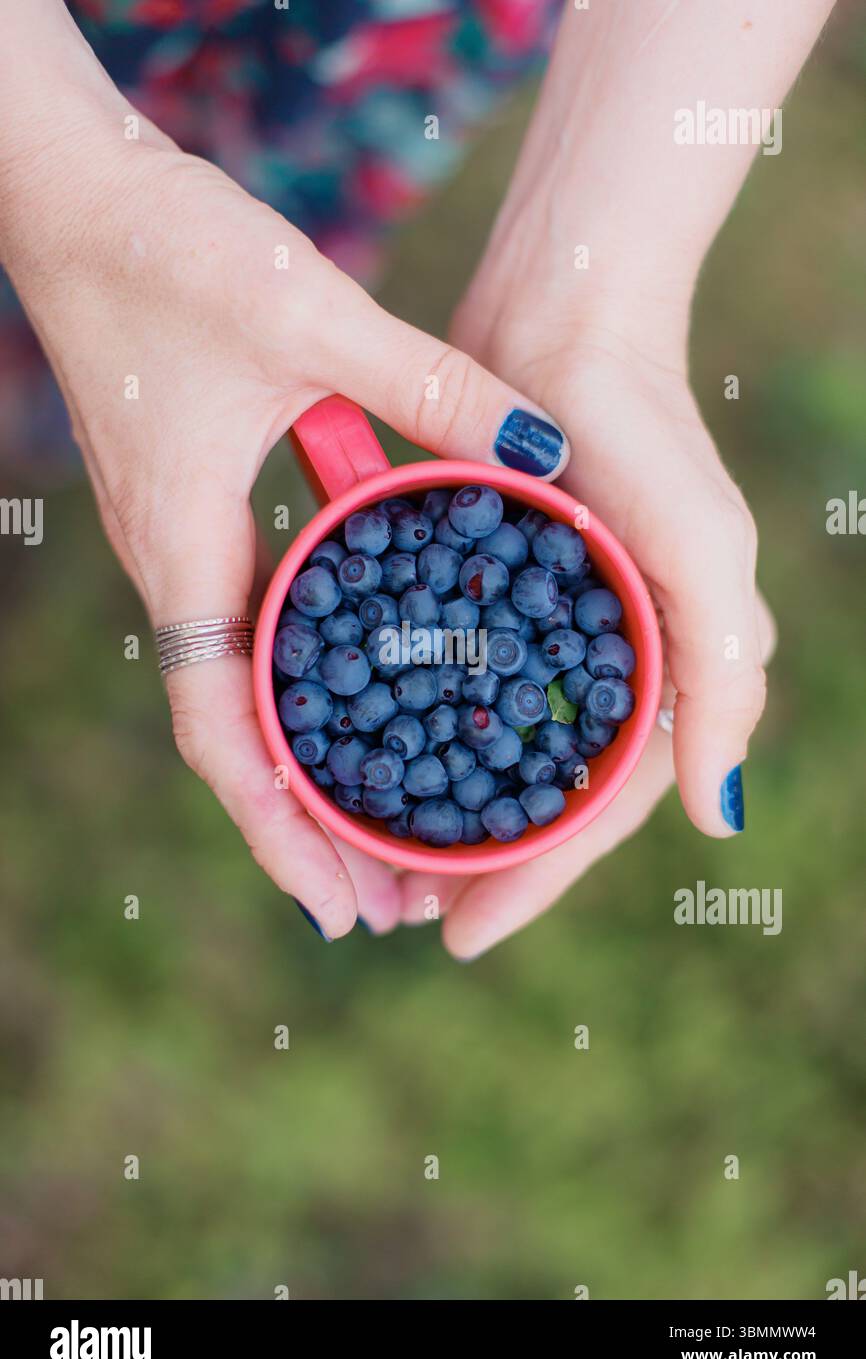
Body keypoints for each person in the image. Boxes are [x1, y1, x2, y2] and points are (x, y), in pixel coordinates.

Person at [0, 0, 832, 954]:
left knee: (178, 299)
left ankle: (48, 408)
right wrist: (55, 179)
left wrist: (593, 298)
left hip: (374, 47)